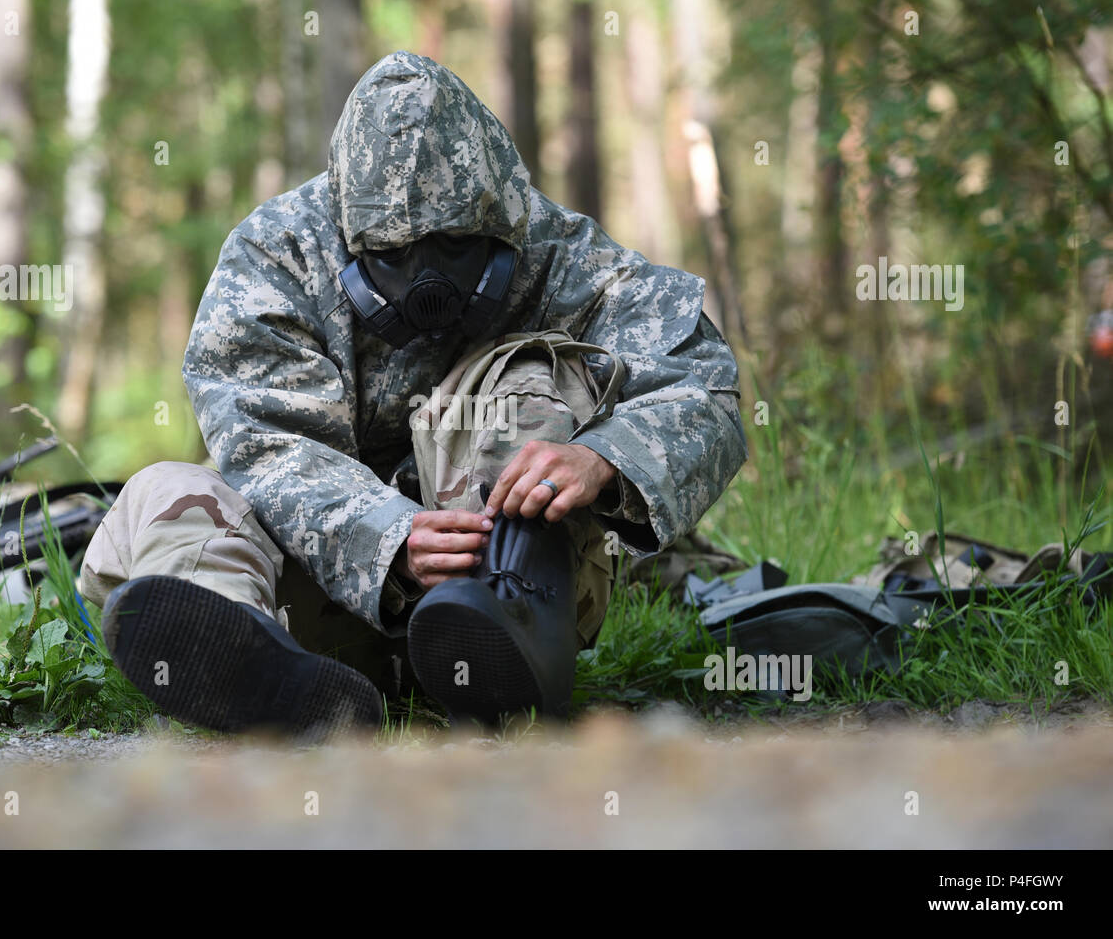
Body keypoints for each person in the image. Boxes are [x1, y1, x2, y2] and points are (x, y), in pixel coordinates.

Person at [78, 51, 748, 741]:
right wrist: (387, 537)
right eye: (392, 256)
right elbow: (267, 442)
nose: (427, 282)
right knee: (166, 493)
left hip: (492, 577)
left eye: (456, 245)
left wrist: (604, 458)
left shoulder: (557, 253)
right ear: (346, 228)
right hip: (319, 587)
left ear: (501, 216)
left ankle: (498, 641)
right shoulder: (277, 256)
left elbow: (703, 380)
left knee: (526, 382)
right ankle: (247, 663)